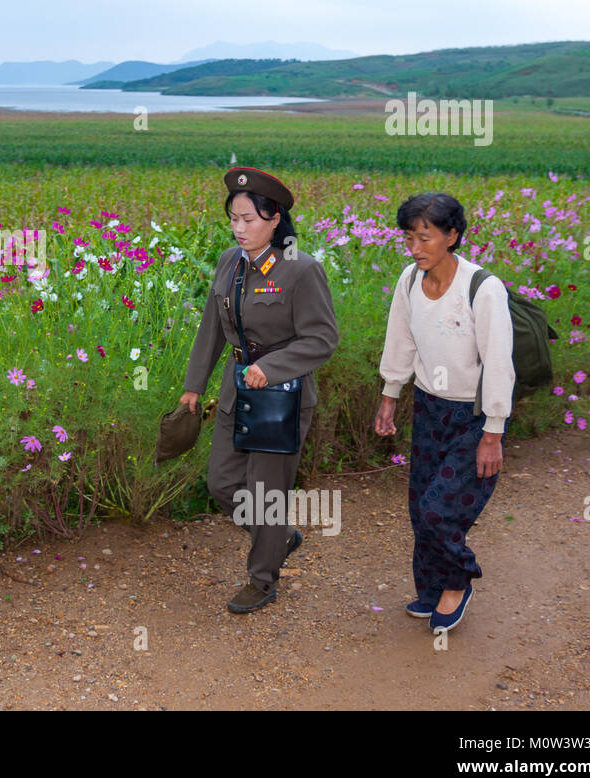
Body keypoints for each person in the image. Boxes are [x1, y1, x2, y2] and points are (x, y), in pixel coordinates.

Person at [182, 167, 339, 613]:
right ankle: (280, 537)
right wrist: (194, 386)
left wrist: (270, 368)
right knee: (222, 484)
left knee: (267, 493)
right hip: (237, 393)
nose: (239, 228)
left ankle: (263, 578)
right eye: (234, 218)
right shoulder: (229, 261)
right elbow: (212, 328)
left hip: (281, 398)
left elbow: (322, 338)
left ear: (274, 219)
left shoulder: (301, 270)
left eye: (249, 219)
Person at [373, 192, 514, 632]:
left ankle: (458, 582)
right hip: (429, 408)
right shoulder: (410, 280)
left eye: (425, 238)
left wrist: (492, 432)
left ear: (452, 236)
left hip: (472, 416)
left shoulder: (483, 289)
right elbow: (400, 339)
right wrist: (390, 395)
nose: (415, 248)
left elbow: (498, 362)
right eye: (410, 238)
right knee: (420, 509)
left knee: (440, 510)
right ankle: (431, 590)